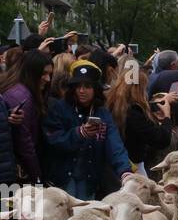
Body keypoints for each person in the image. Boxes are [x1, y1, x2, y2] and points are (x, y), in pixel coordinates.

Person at [43, 63, 130, 198]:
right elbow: (53, 140)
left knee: (86, 212)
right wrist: (79, 133)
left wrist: (125, 171)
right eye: (78, 86)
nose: (81, 91)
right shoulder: (60, 108)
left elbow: (115, 144)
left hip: (89, 177)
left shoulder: (103, 113)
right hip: (63, 176)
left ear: (96, 89)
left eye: (87, 86)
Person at [105, 64, 175, 174]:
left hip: (112, 163)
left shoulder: (110, 104)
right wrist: (167, 116)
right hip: (131, 166)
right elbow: (161, 139)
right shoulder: (134, 113)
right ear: (139, 89)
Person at [0, 50, 53, 184]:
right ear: (31, 73)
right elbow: (25, 144)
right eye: (44, 73)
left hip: (10, 169)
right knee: (11, 205)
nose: (48, 79)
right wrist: (37, 177)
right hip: (13, 173)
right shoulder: (21, 97)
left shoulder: (16, 91)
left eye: (50, 74)